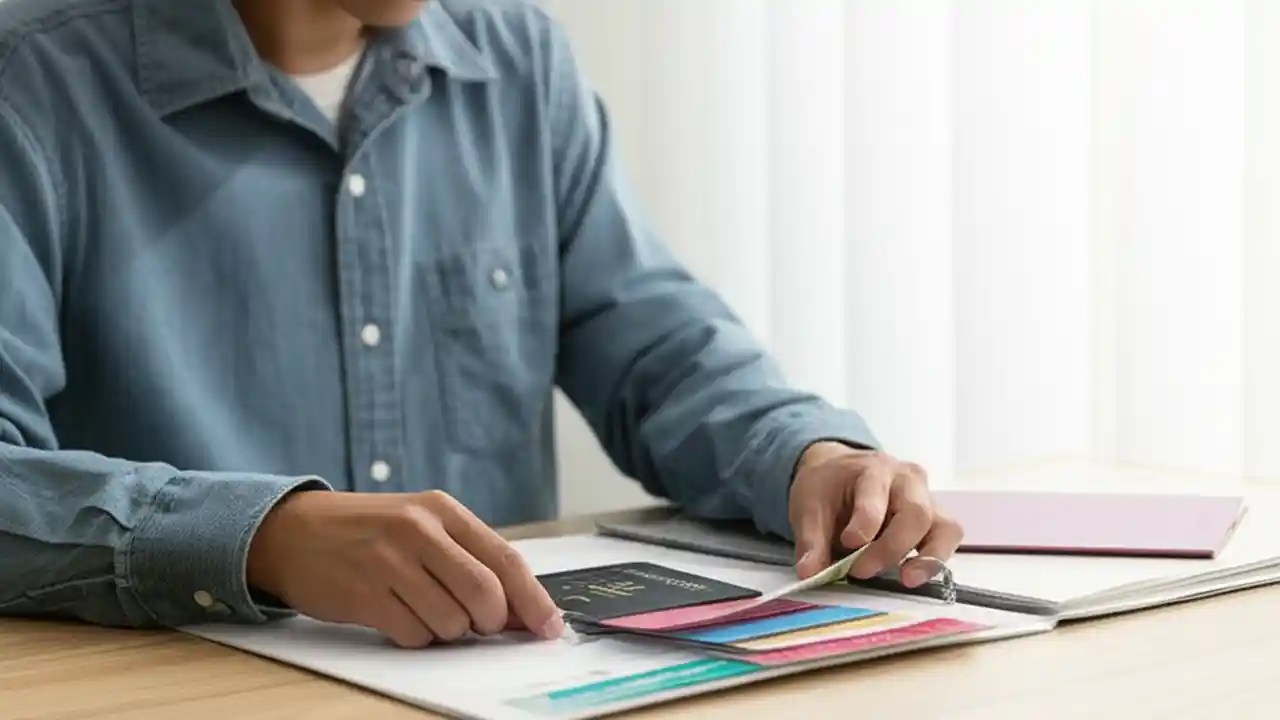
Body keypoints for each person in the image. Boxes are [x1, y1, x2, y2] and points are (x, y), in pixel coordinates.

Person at [0, 0, 962, 649]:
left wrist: (808, 458)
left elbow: (657, 347)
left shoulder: (514, 56)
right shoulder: (31, 80)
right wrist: (264, 540)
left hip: (497, 683)